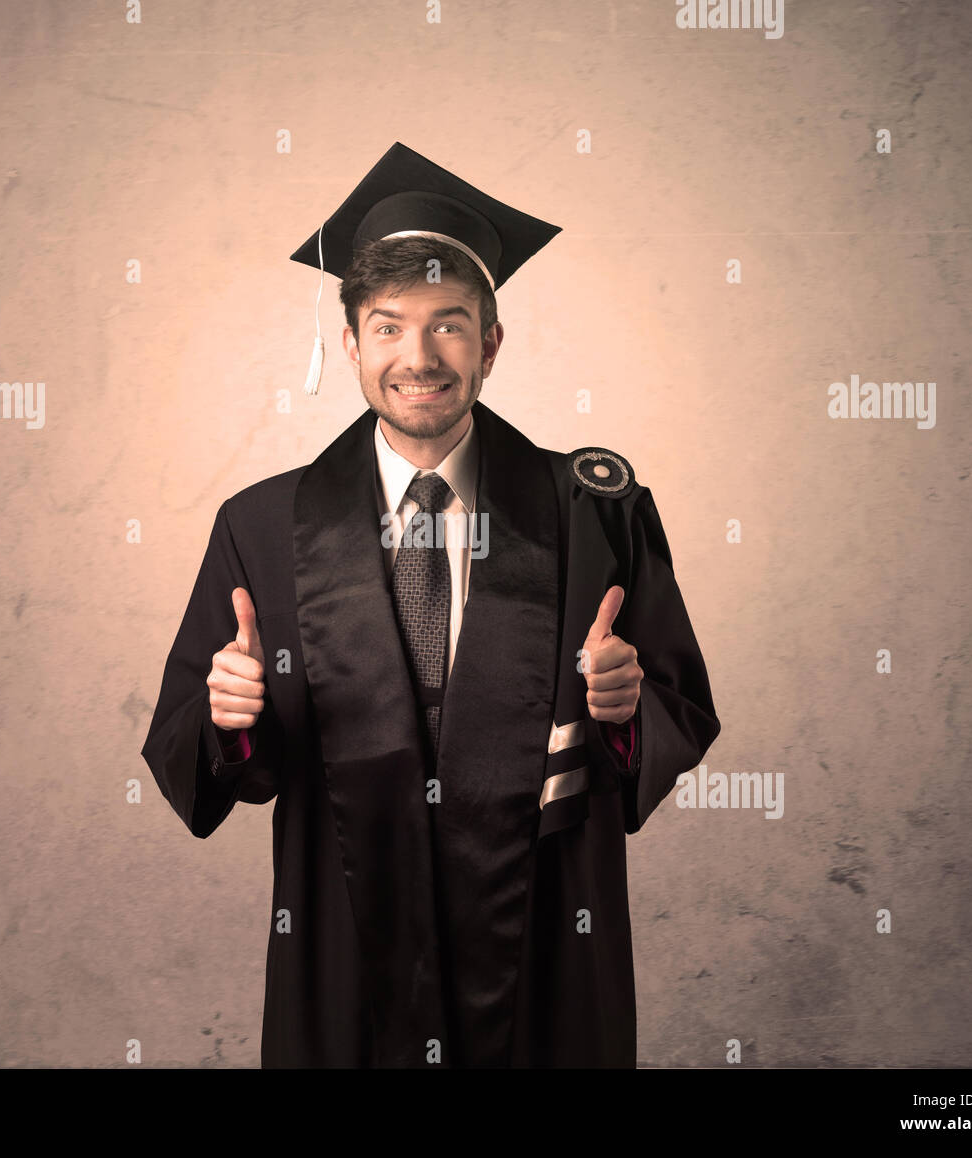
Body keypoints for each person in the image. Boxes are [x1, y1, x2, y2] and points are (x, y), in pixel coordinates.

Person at [141, 142, 721, 1068]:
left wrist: (624, 712)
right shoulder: (260, 526)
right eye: (387, 326)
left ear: (491, 342)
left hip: (541, 945)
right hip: (345, 942)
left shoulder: (596, 514)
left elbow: (682, 713)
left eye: (449, 325)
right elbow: (192, 766)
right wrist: (228, 721)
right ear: (350, 346)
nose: (419, 358)